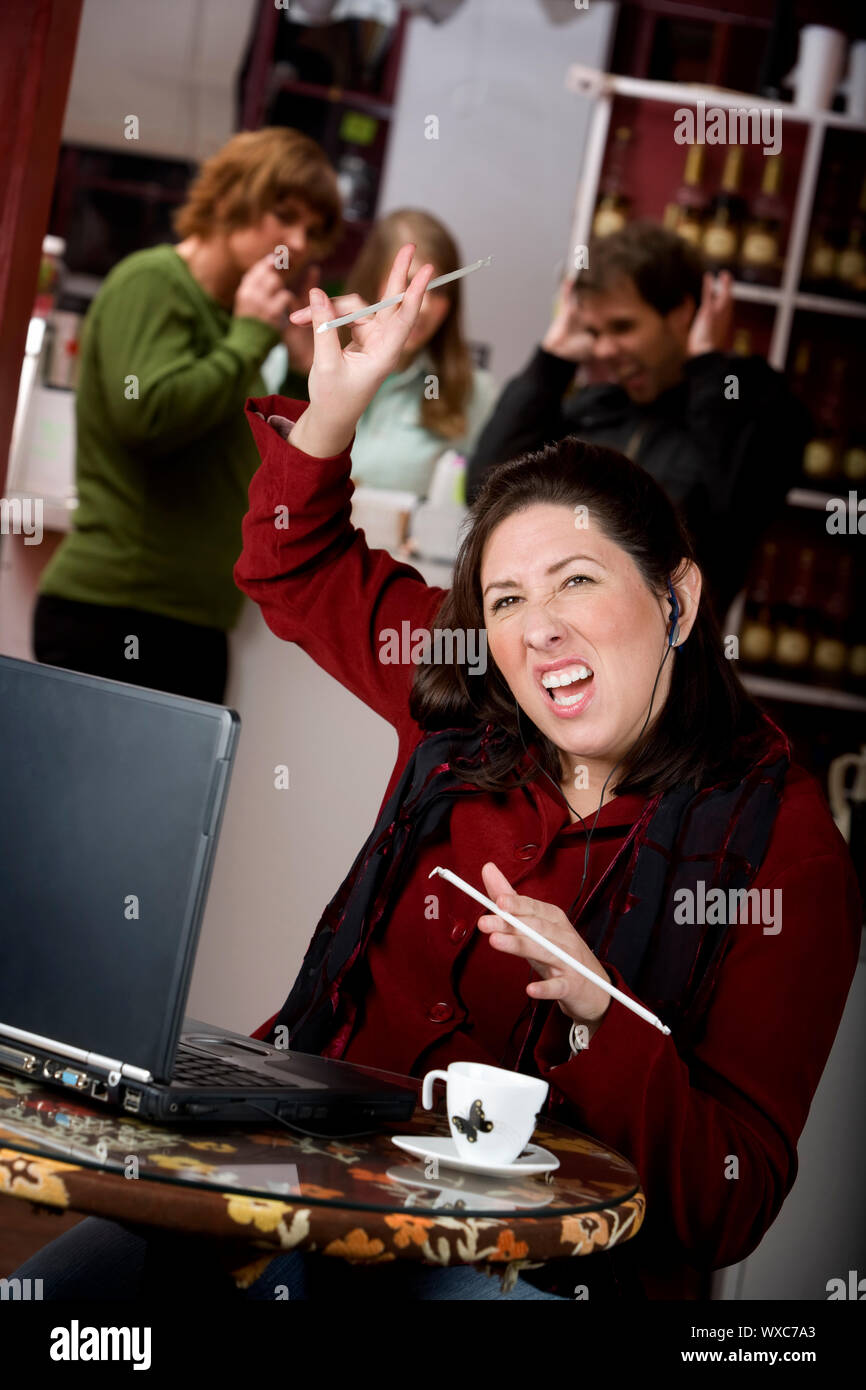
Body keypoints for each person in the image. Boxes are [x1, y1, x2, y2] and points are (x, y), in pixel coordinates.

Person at [15, 246, 860, 1302]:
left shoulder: (779, 839)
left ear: (676, 599)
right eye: (504, 600)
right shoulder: (466, 691)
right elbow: (295, 564)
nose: (537, 625)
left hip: (529, 1274)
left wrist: (603, 1012)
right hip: (307, 1189)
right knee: (52, 1305)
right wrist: (334, 408)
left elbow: (729, 1201)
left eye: (578, 580)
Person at [32, 127, 341, 704]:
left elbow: (286, 467)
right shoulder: (154, 284)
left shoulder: (235, 321)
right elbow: (146, 417)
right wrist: (250, 335)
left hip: (190, 622)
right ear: (230, 197)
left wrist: (304, 370)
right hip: (116, 614)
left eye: (313, 230)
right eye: (284, 215)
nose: (298, 241)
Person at [465, 222, 810, 622]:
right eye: (595, 331)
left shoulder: (751, 405)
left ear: (682, 313)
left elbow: (735, 509)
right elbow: (482, 491)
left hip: (675, 668)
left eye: (623, 327)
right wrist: (552, 360)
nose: (605, 349)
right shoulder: (596, 406)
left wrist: (706, 367)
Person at [323, 209, 498, 497]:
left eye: (440, 291)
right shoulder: (308, 366)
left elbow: (479, 510)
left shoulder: (474, 392)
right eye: (409, 284)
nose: (425, 307)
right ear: (371, 281)